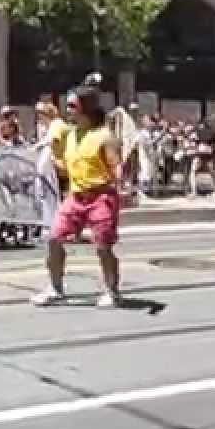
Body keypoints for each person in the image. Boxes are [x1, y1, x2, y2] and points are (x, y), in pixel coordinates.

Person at [33, 86, 123, 309]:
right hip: (75, 196)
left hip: (101, 196)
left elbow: (116, 167)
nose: (68, 110)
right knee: (54, 239)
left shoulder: (104, 136)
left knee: (103, 246)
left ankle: (111, 291)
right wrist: (53, 160)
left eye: (72, 105)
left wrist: (123, 184)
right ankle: (55, 288)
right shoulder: (71, 135)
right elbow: (68, 166)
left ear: (86, 108)